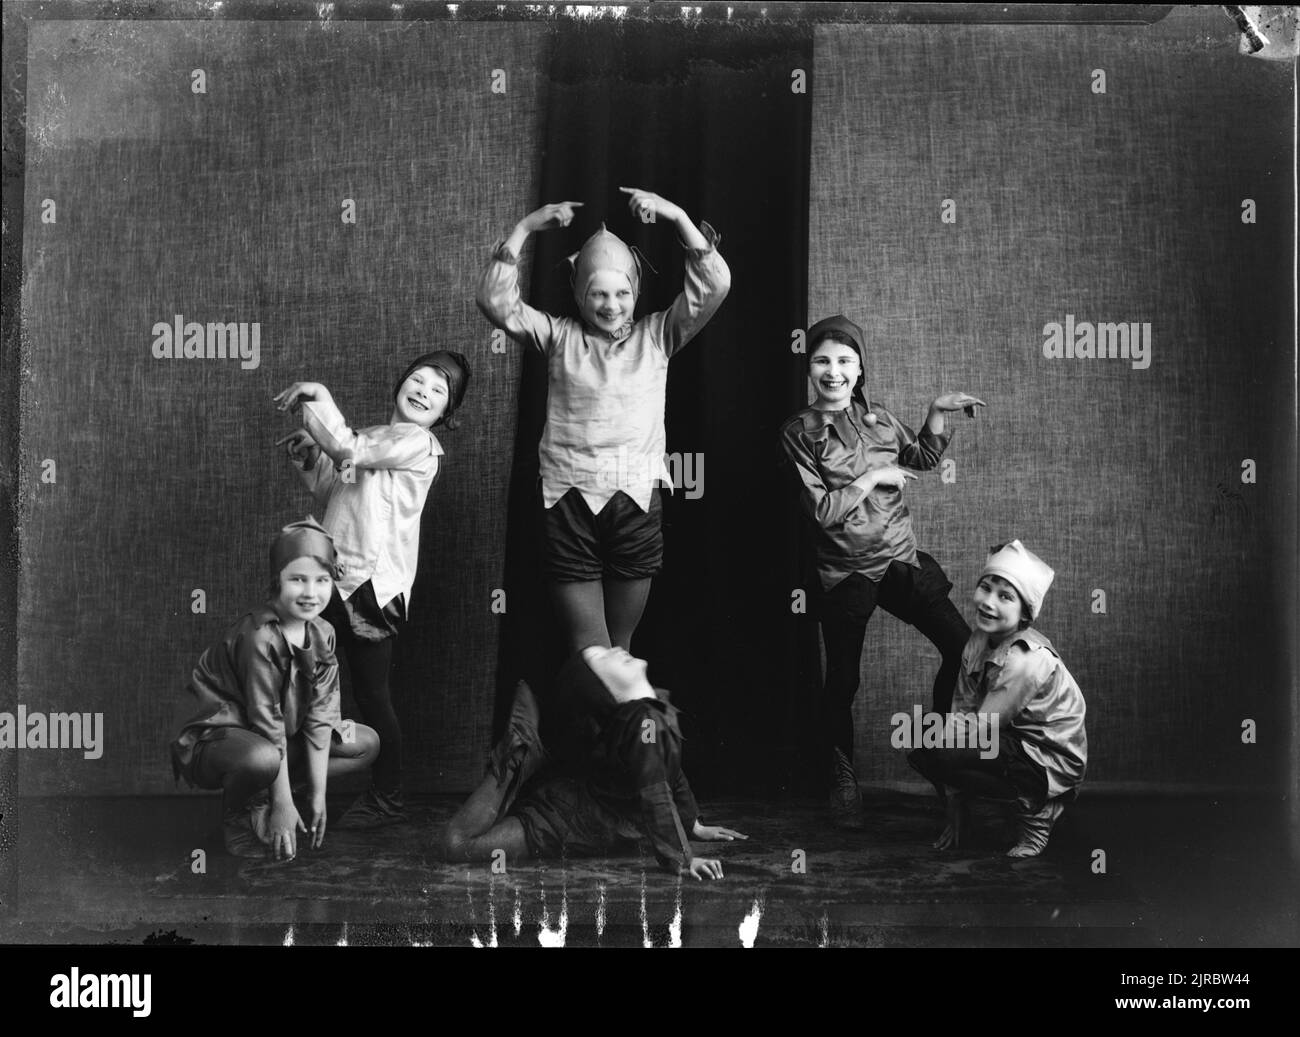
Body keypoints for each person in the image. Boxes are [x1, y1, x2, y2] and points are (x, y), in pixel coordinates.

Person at [475, 187, 730, 654]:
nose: (611, 304)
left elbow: (714, 285)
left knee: (621, 650)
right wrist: (524, 229)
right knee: (589, 650)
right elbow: (496, 302)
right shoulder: (556, 335)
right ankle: (598, 723)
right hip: (566, 499)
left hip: (635, 499)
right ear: (578, 293)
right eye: (598, 292)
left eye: (622, 292)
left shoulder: (658, 335)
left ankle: (622, 727)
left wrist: (676, 215)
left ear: (636, 292)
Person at [778, 314, 984, 828]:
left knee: (963, 650)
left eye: (845, 361)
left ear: (860, 367)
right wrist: (872, 477)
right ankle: (842, 780)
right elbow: (822, 511)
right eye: (822, 360)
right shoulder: (798, 434)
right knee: (844, 681)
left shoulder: (882, 420)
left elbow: (920, 458)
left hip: (899, 559)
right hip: (846, 573)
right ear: (810, 368)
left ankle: (936, 756)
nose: (833, 371)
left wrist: (935, 412)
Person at [274, 350, 470, 827]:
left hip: (372, 589)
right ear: (400, 383)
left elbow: (348, 448)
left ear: (445, 414)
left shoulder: (420, 444)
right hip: (331, 578)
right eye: (418, 380)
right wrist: (311, 458)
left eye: (438, 390)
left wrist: (319, 398)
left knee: (372, 694)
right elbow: (335, 490)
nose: (424, 390)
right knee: (298, 678)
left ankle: (388, 797)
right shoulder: (374, 437)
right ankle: (287, 784)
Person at [436, 646, 747, 880]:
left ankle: (523, 757)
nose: (615, 649)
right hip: (564, 821)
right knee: (456, 846)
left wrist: (693, 824)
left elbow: (671, 772)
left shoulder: (652, 714)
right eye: (603, 659)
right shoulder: (642, 724)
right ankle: (518, 753)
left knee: (469, 840)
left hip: (587, 812)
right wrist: (682, 858)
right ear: (605, 695)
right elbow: (656, 791)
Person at [169, 518, 380, 860]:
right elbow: (266, 722)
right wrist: (284, 805)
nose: (311, 592)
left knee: (366, 743)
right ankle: (239, 815)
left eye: (321, 580)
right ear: (276, 582)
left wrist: (317, 797)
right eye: (297, 579)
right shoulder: (260, 637)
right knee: (262, 757)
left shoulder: (323, 631)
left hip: (277, 735)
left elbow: (323, 714)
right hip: (219, 736)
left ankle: (265, 796)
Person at [907, 540, 1087, 858]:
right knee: (922, 740)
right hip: (1008, 738)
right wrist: (954, 803)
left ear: (1025, 614)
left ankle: (1038, 812)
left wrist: (945, 759)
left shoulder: (1026, 659)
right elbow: (961, 710)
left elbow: (981, 727)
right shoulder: (978, 641)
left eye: (1005, 597)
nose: (988, 603)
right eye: (985, 588)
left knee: (938, 748)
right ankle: (988, 807)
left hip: (1045, 756)